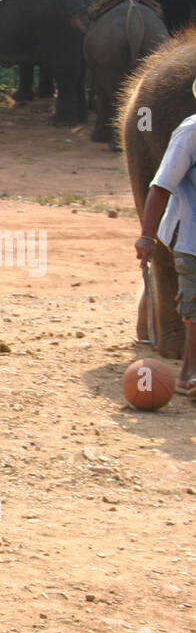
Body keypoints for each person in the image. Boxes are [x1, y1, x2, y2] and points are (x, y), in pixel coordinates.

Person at [135, 78, 196, 395]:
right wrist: (147, 236)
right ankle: (189, 374)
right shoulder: (191, 132)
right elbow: (161, 187)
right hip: (192, 237)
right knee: (194, 307)